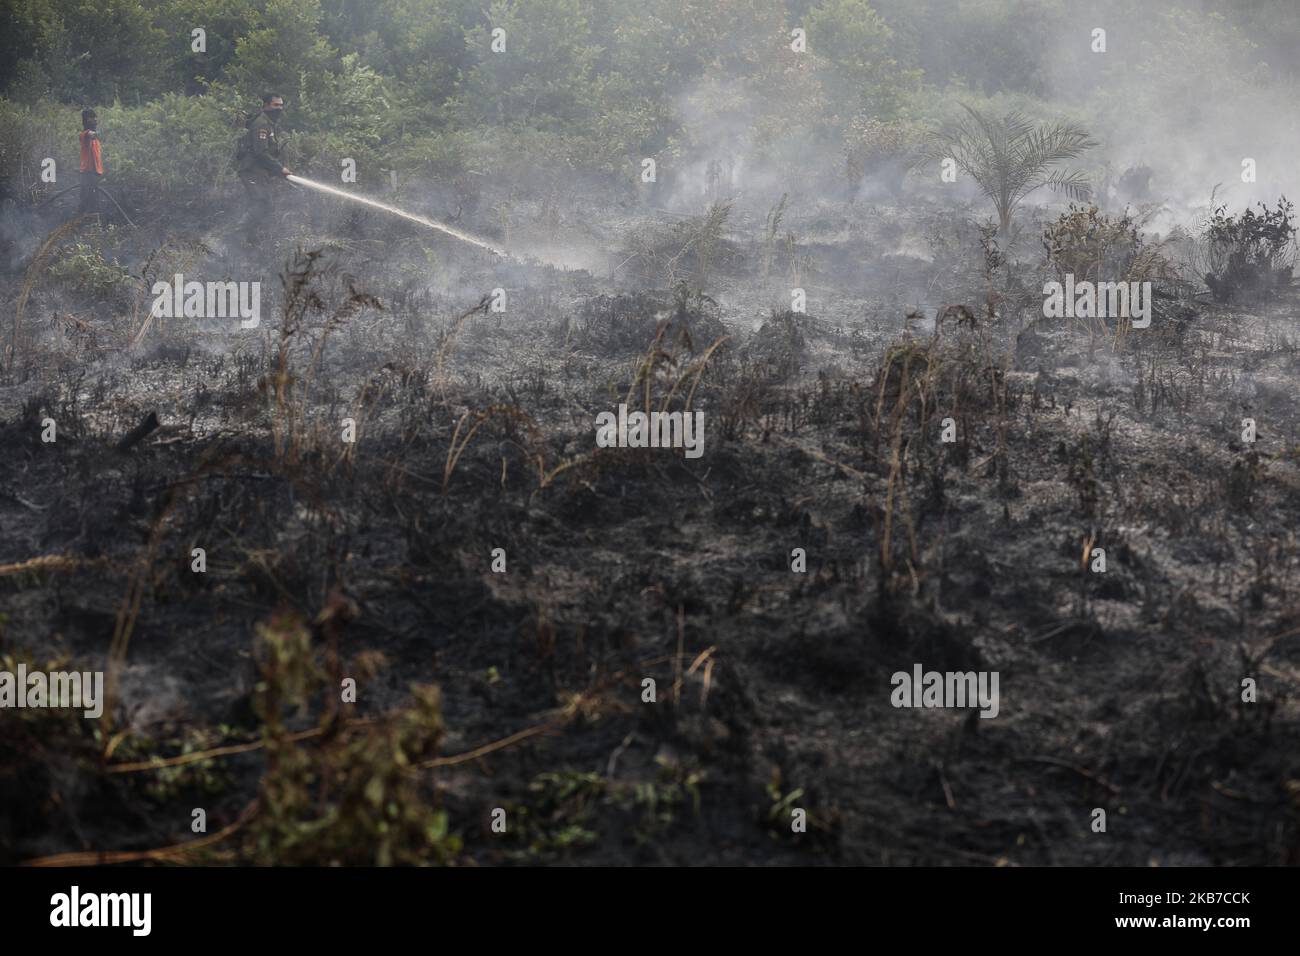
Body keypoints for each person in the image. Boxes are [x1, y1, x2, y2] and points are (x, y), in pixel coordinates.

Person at [235, 93, 292, 244]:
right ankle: (234, 236)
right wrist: (280, 169)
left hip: (259, 172)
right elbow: (260, 153)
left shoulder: (269, 124)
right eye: (275, 105)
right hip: (252, 171)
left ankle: (250, 242)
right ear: (266, 106)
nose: (279, 108)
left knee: (256, 204)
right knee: (263, 203)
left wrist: (279, 170)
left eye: (281, 105)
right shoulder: (261, 124)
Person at [78, 109, 103, 216]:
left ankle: (92, 220)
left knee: (94, 200)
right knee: (86, 200)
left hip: (95, 173)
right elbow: (92, 134)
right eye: (94, 119)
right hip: (87, 173)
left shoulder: (95, 140)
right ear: (88, 120)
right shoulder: (85, 134)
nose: (96, 121)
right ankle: (81, 219)